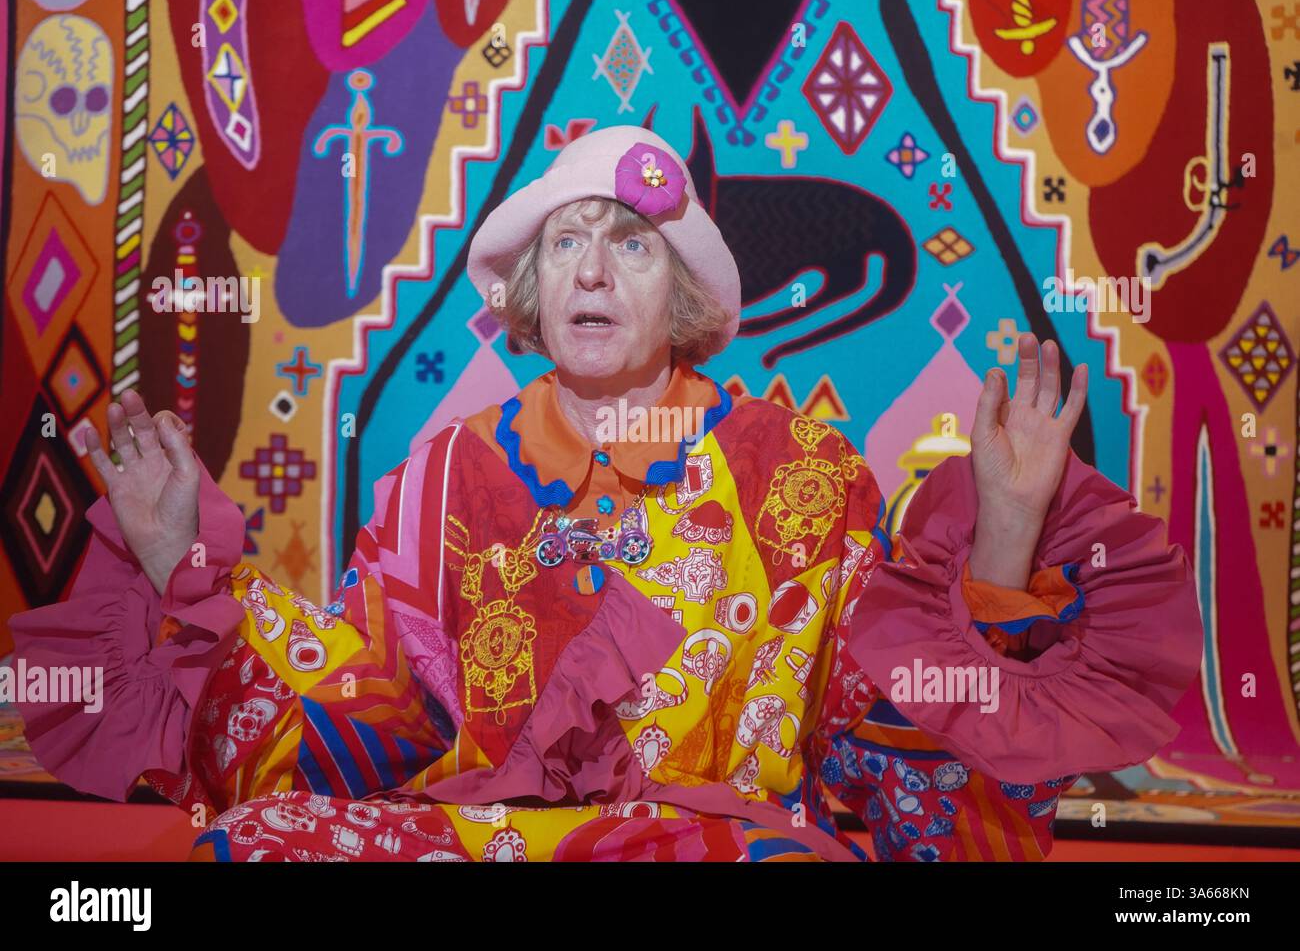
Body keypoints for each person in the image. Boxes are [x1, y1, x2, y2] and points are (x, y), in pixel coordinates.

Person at [8, 126, 1203, 862]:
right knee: (251, 844)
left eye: (630, 244)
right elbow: (368, 717)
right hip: (477, 838)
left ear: (680, 294)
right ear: (530, 286)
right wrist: (181, 565)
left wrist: (1000, 532)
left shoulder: (798, 473)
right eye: (566, 243)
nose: (590, 268)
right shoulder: (440, 478)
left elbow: (867, 739)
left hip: (716, 842)